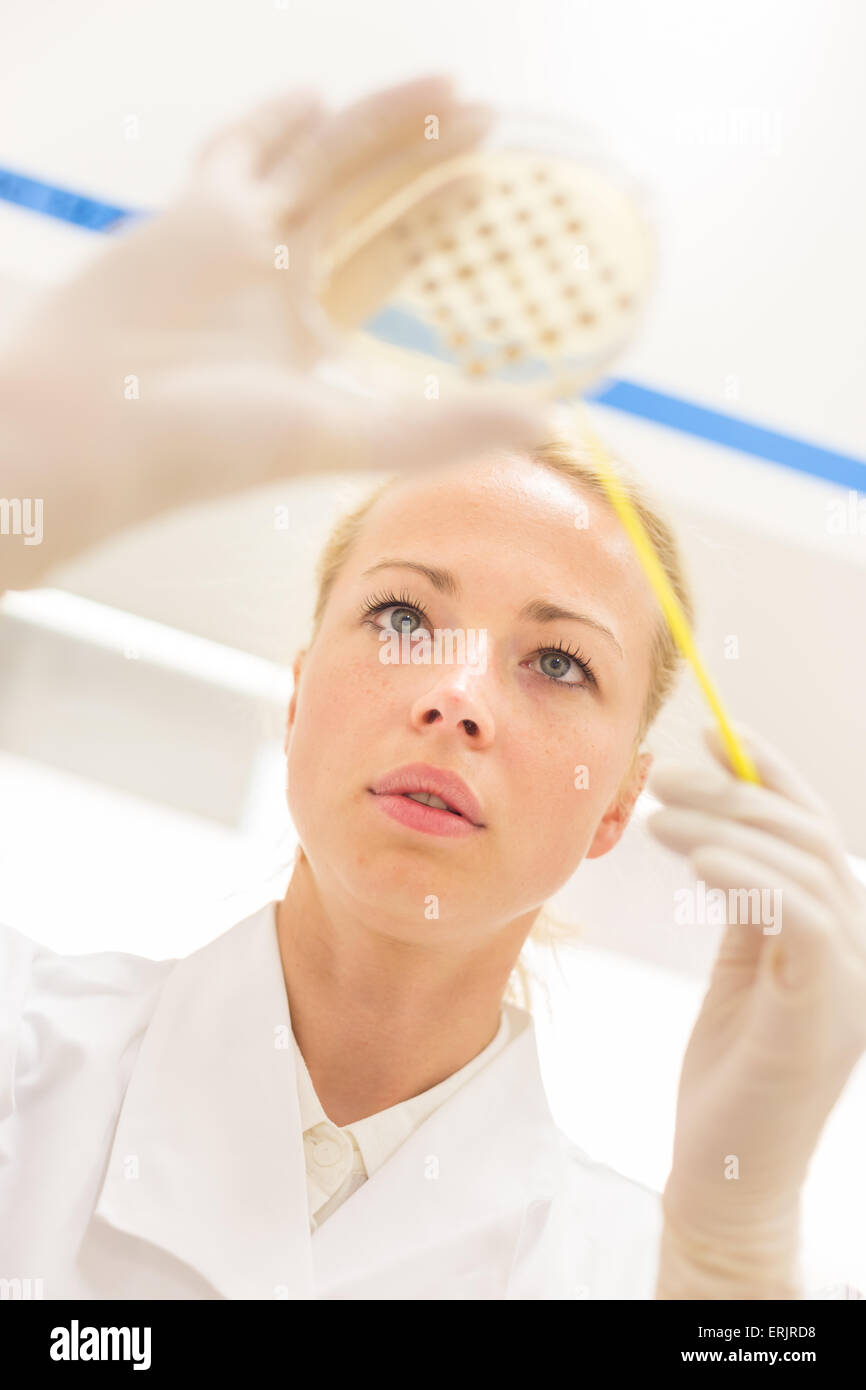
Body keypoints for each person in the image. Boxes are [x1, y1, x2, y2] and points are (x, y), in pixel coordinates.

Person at [1, 77, 864, 1301]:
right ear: (297, 696)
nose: (455, 695)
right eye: (402, 614)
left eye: (557, 662)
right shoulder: (23, 1063)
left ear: (614, 806)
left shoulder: (649, 1276)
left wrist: (732, 1253)